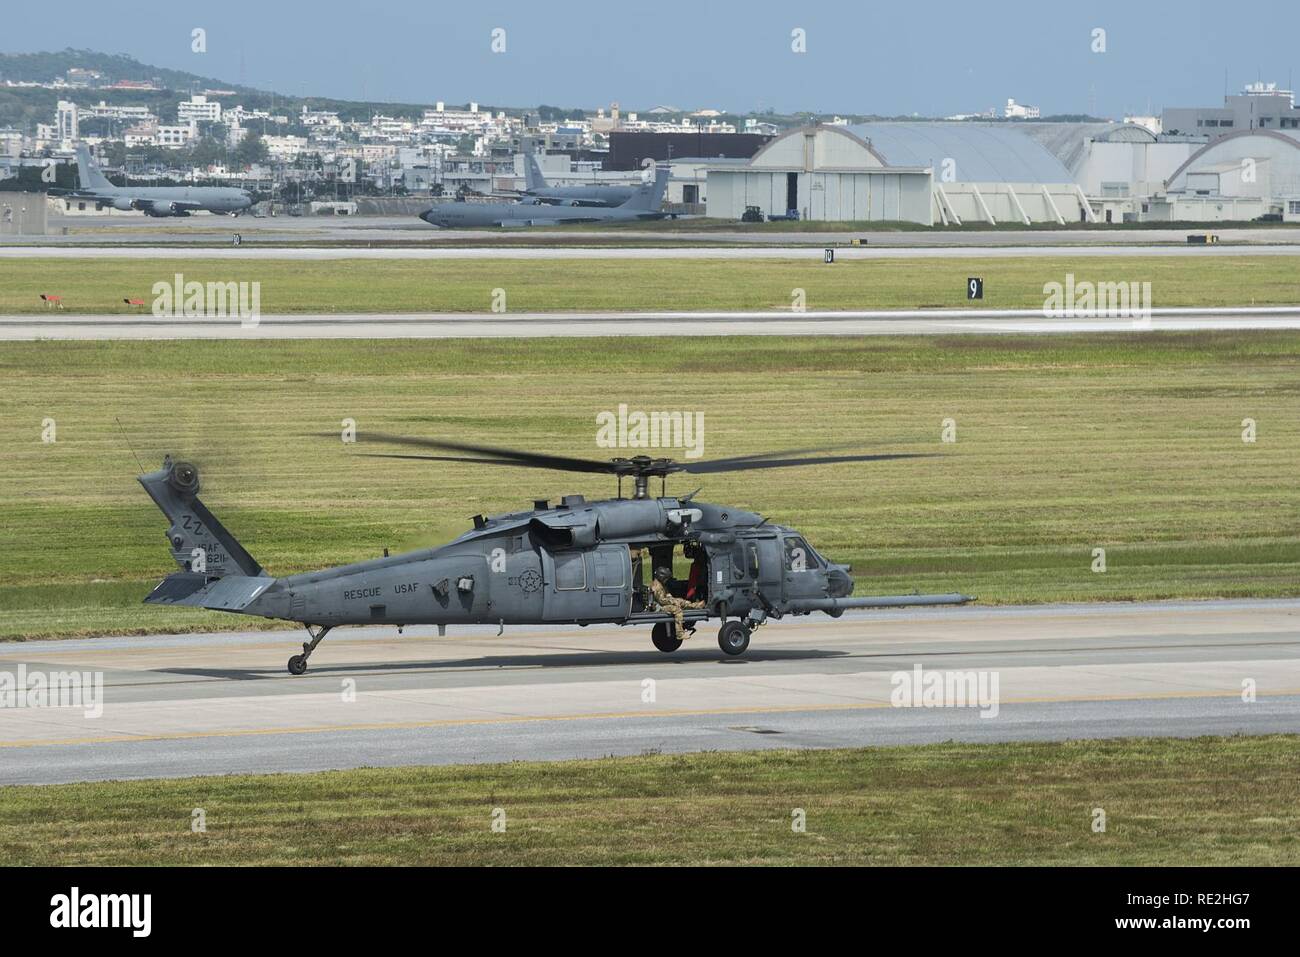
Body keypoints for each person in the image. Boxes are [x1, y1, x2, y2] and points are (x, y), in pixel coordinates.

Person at [648, 561, 704, 637]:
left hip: (661, 605)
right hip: (658, 608)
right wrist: (674, 601)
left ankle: (696, 606)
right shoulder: (656, 587)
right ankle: (679, 633)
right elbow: (662, 601)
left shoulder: (660, 584)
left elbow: (666, 595)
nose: (667, 580)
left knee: (680, 601)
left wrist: (674, 599)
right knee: (677, 610)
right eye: (666, 578)